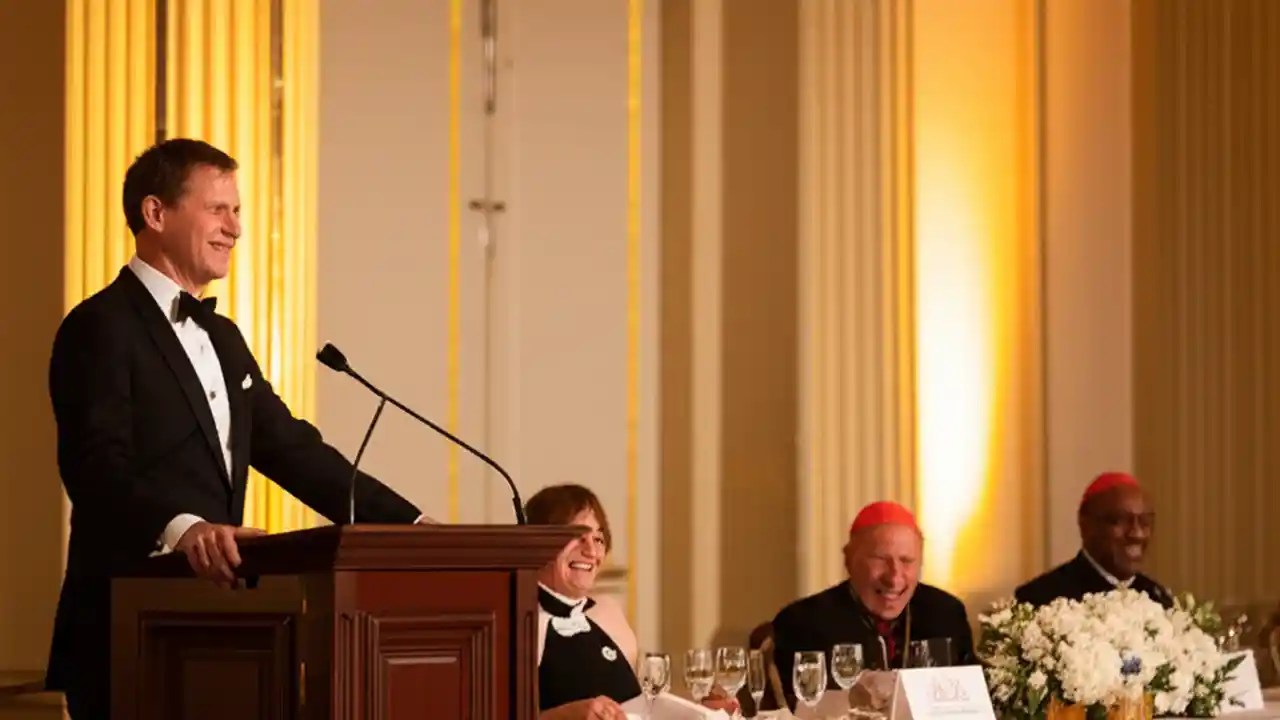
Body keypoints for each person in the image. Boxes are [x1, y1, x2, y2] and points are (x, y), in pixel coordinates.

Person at [45, 138, 429, 719]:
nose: (235, 228)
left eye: (238, 211)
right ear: (156, 213)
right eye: (218, 209)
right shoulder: (100, 325)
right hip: (123, 622)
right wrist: (186, 528)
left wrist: (411, 527)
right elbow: (95, 466)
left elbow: (293, 449)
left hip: (219, 627)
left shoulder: (223, 339)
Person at [526, 484, 738, 720]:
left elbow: (639, 705)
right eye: (576, 536)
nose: (591, 551)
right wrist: (564, 716)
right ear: (538, 543)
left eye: (598, 538)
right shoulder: (519, 624)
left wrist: (699, 709)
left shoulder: (606, 616)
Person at [770, 501, 974, 711]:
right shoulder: (802, 621)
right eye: (880, 559)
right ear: (848, 560)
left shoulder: (946, 613)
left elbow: (972, 700)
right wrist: (851, 697)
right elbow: (797, 705)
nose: (894, 578)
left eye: (906, 561)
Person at [1015, 472, 1172, 608]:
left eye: (1145, 522)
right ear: (1086, 525)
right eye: (1120, 520)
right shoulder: (1040, 599)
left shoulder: (1159, 599)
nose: (1136, 534)